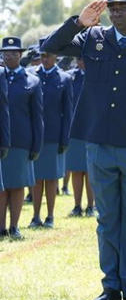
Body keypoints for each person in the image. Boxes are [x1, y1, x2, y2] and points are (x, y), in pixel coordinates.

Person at [42, 0, 126, 300]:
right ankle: (111, 286)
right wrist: (78, 23)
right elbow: (50, 46)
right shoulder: (93, 38)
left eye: (122, 7)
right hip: (99, 142)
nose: (116, 13)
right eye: (111, 8)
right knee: (107, 218)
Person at [29, 39, 73, 229]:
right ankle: (35, 216)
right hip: (35, 137)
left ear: (56, 56)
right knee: (36, 178)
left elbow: (68, 112)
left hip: (54, 135)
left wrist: (65, 139)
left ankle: (50, 216)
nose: (45, 59)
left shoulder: (64, 78)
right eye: (43, 55)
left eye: (49, 55)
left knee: (51, 178)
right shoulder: (32, 76)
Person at [0, 36, 38, 240]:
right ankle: (1, 227)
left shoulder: (32, 81)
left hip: (21, 140)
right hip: (1, 140)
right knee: (1, 186)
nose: (9, 57)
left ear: (20, 55)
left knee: (17, 185)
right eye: (5, 53)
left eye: (13, 53)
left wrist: (36, 145)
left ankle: (14, 226)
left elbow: (37, 117)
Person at [65, 58, 95, 217]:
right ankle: (77, 206)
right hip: (75, 129)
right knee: (76, 169)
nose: (81, 62)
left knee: (91, 171)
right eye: (78, 59)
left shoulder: (98, 75)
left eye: (83, 59)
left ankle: (91, 206)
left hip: (93, 130)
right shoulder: (71, 77)